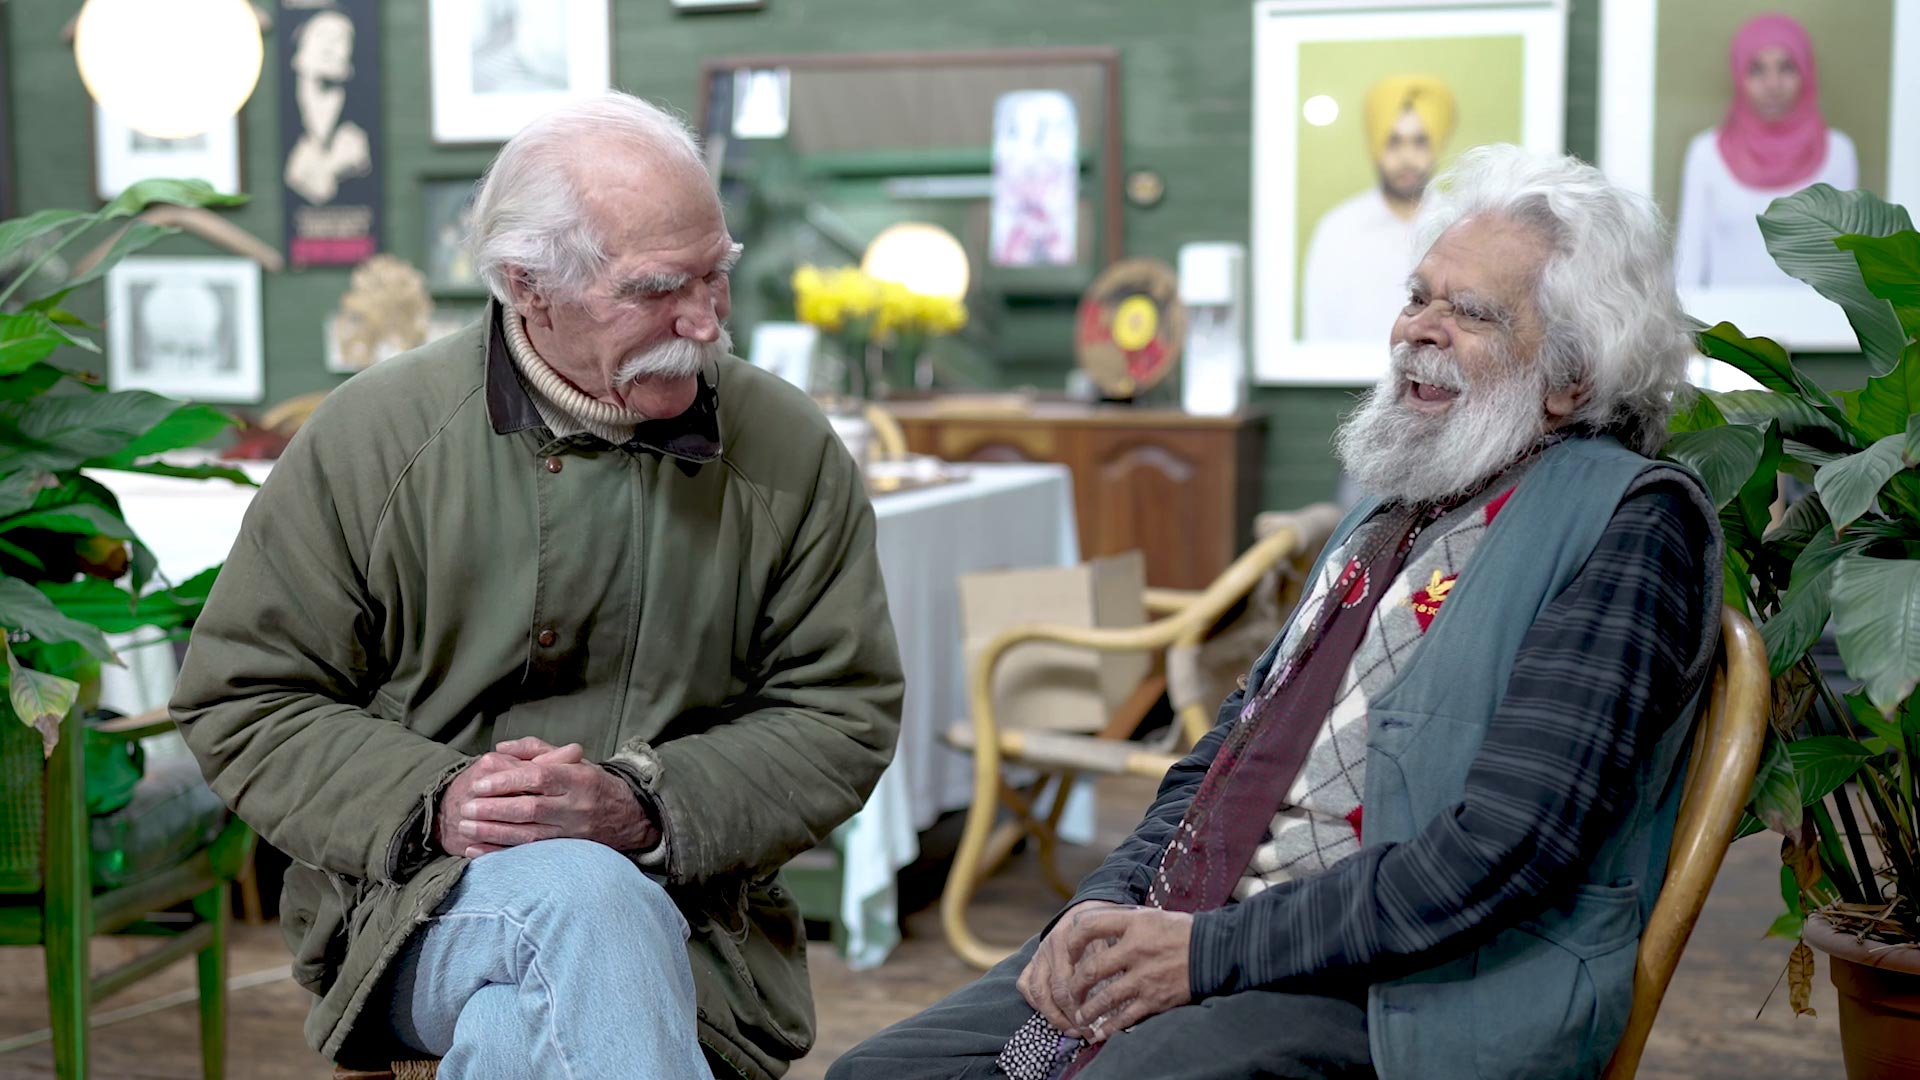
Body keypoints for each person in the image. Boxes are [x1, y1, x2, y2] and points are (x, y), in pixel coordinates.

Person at [832, 144, 1721, 1080]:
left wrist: (1203, 956)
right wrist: (1105, 905)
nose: (1419, 330)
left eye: (1472, 313)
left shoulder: (1626, 524)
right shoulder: (1395, 512)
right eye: (1418, 296)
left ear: (1573, 377)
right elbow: (1227, 759)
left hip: (1403, 989)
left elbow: (1504, 851)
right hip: (1216, 929)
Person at [172, 91, 904, 1080]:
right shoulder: (373, 438)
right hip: (413, 910)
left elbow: (842, 709)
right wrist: (440, 801)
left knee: (522, 1026)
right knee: (582, 900)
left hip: (704, 930)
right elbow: (244, 696)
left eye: (715, 276)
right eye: (655, 289)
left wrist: (641, 809)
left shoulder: (788, 449)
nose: (703, 319)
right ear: (526, 285)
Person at [1673, 12, 1856, 290]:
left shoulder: (1837, 153)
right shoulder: (1706, 153)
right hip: (1728, 327)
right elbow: (1689, 261)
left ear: (1806, 72)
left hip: (1816, 326)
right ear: (1738, 75)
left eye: (1786, 68)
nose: (1773, 84)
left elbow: (1847, 264)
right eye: (1757, 69)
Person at [1301, 74, 1456, 342]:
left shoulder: (1460, 227)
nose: (1407, 157)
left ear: (1436, 147)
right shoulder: (1338, 229)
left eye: (1419, 142)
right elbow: (1318, 335)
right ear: (1375, 146)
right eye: (1393, 142)